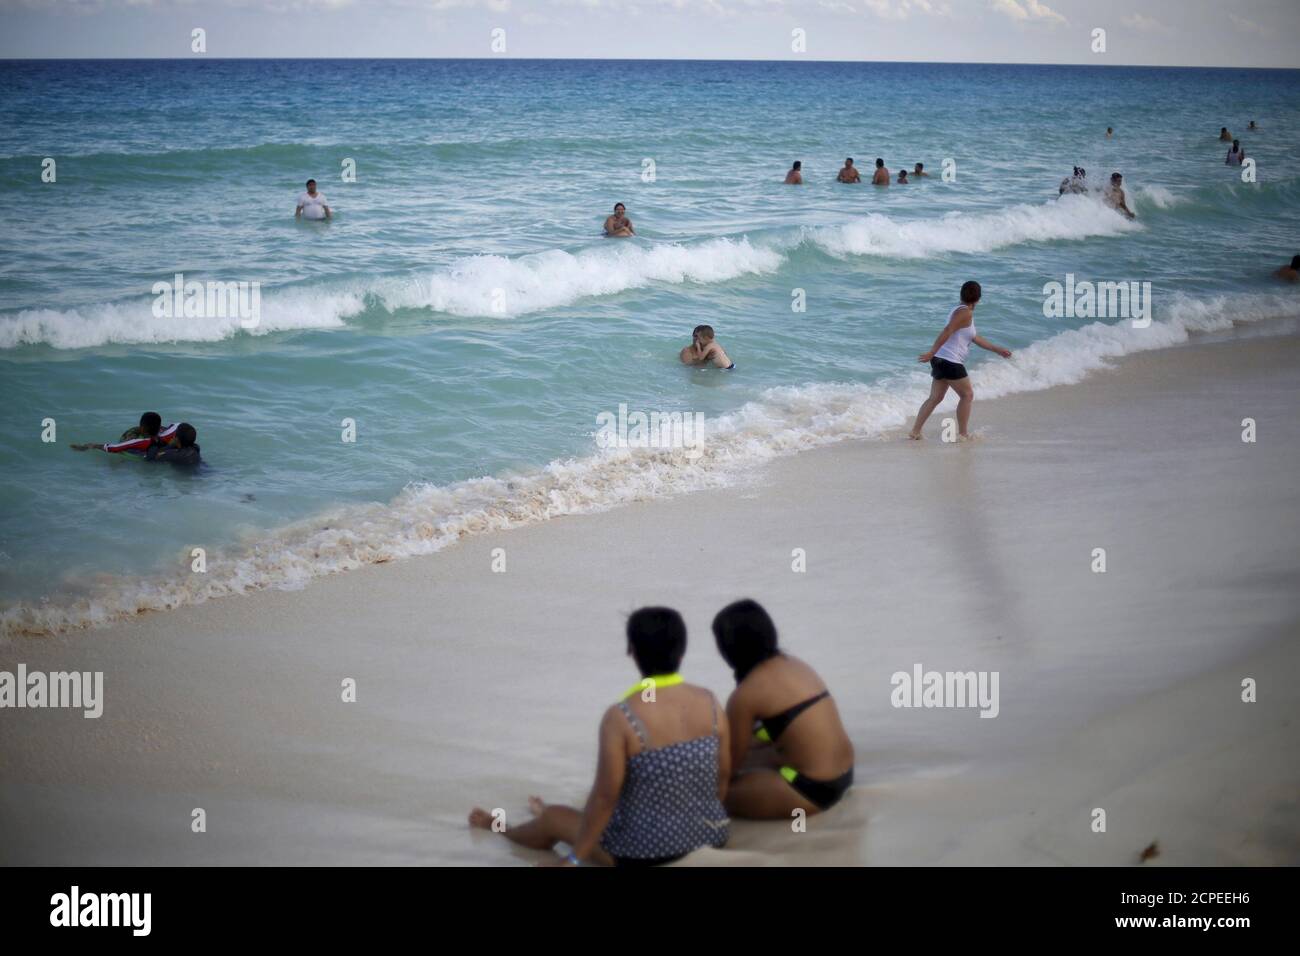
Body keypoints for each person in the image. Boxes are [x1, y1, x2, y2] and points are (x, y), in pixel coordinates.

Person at [468, 607, 731, 866]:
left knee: (554, 818)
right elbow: (723, 775)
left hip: (644, 856)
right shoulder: (710, 702)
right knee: (635, 802)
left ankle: (501, 827)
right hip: (710, 837)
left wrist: (574, 859)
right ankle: (551, 818)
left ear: (632, 651)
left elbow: (605, 798)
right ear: (682, 652)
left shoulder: (622, 717)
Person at [713, 600, 855, 818]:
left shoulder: (746, 695)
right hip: (845, 774)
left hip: (812, 790)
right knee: (755, 749)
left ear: (729, 649)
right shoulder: (796, 665)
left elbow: (728, 768)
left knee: (712, 794)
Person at [908, 280, 1013, 441]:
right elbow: (948, 330)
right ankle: (963, 434)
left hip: (941, 360)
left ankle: (915, 431)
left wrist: (997, 349)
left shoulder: (959, 310)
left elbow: (974, 337)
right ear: (979, 298)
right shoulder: (965, 313)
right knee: (967, 395)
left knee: (935, 398)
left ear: (961, 294)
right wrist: (932, 351)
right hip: (950, 361)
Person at [69, 412, 178, 455]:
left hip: (139, 453)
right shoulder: (168, 435)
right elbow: (176, 427)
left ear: (142, 428)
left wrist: (88, 446)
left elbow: (113, 448)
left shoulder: (140, 442)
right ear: (160, 427)